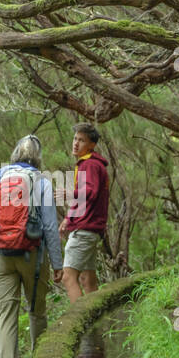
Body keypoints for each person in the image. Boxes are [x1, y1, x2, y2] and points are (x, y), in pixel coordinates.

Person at [0, 135, 63, 358]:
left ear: (15, 153)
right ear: (38, 157)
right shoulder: (41, 181)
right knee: (37, 312)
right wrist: (58, 263)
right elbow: (49, 226)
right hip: (32, 256)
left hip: (1, 255)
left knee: (7, 316)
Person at [58, 123, 109, 303]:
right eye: (75, 139)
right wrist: (68, 218)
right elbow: (84, 199)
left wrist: (70, 193)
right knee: (88, 281)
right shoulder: (87, 164)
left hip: (85, 230)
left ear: (92, 145)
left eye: (81, 140)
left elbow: (91, 192)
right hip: (88, 228)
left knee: (68, 277)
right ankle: (97, 324)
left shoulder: (91, 165)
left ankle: (80, 324)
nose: (76, 143)